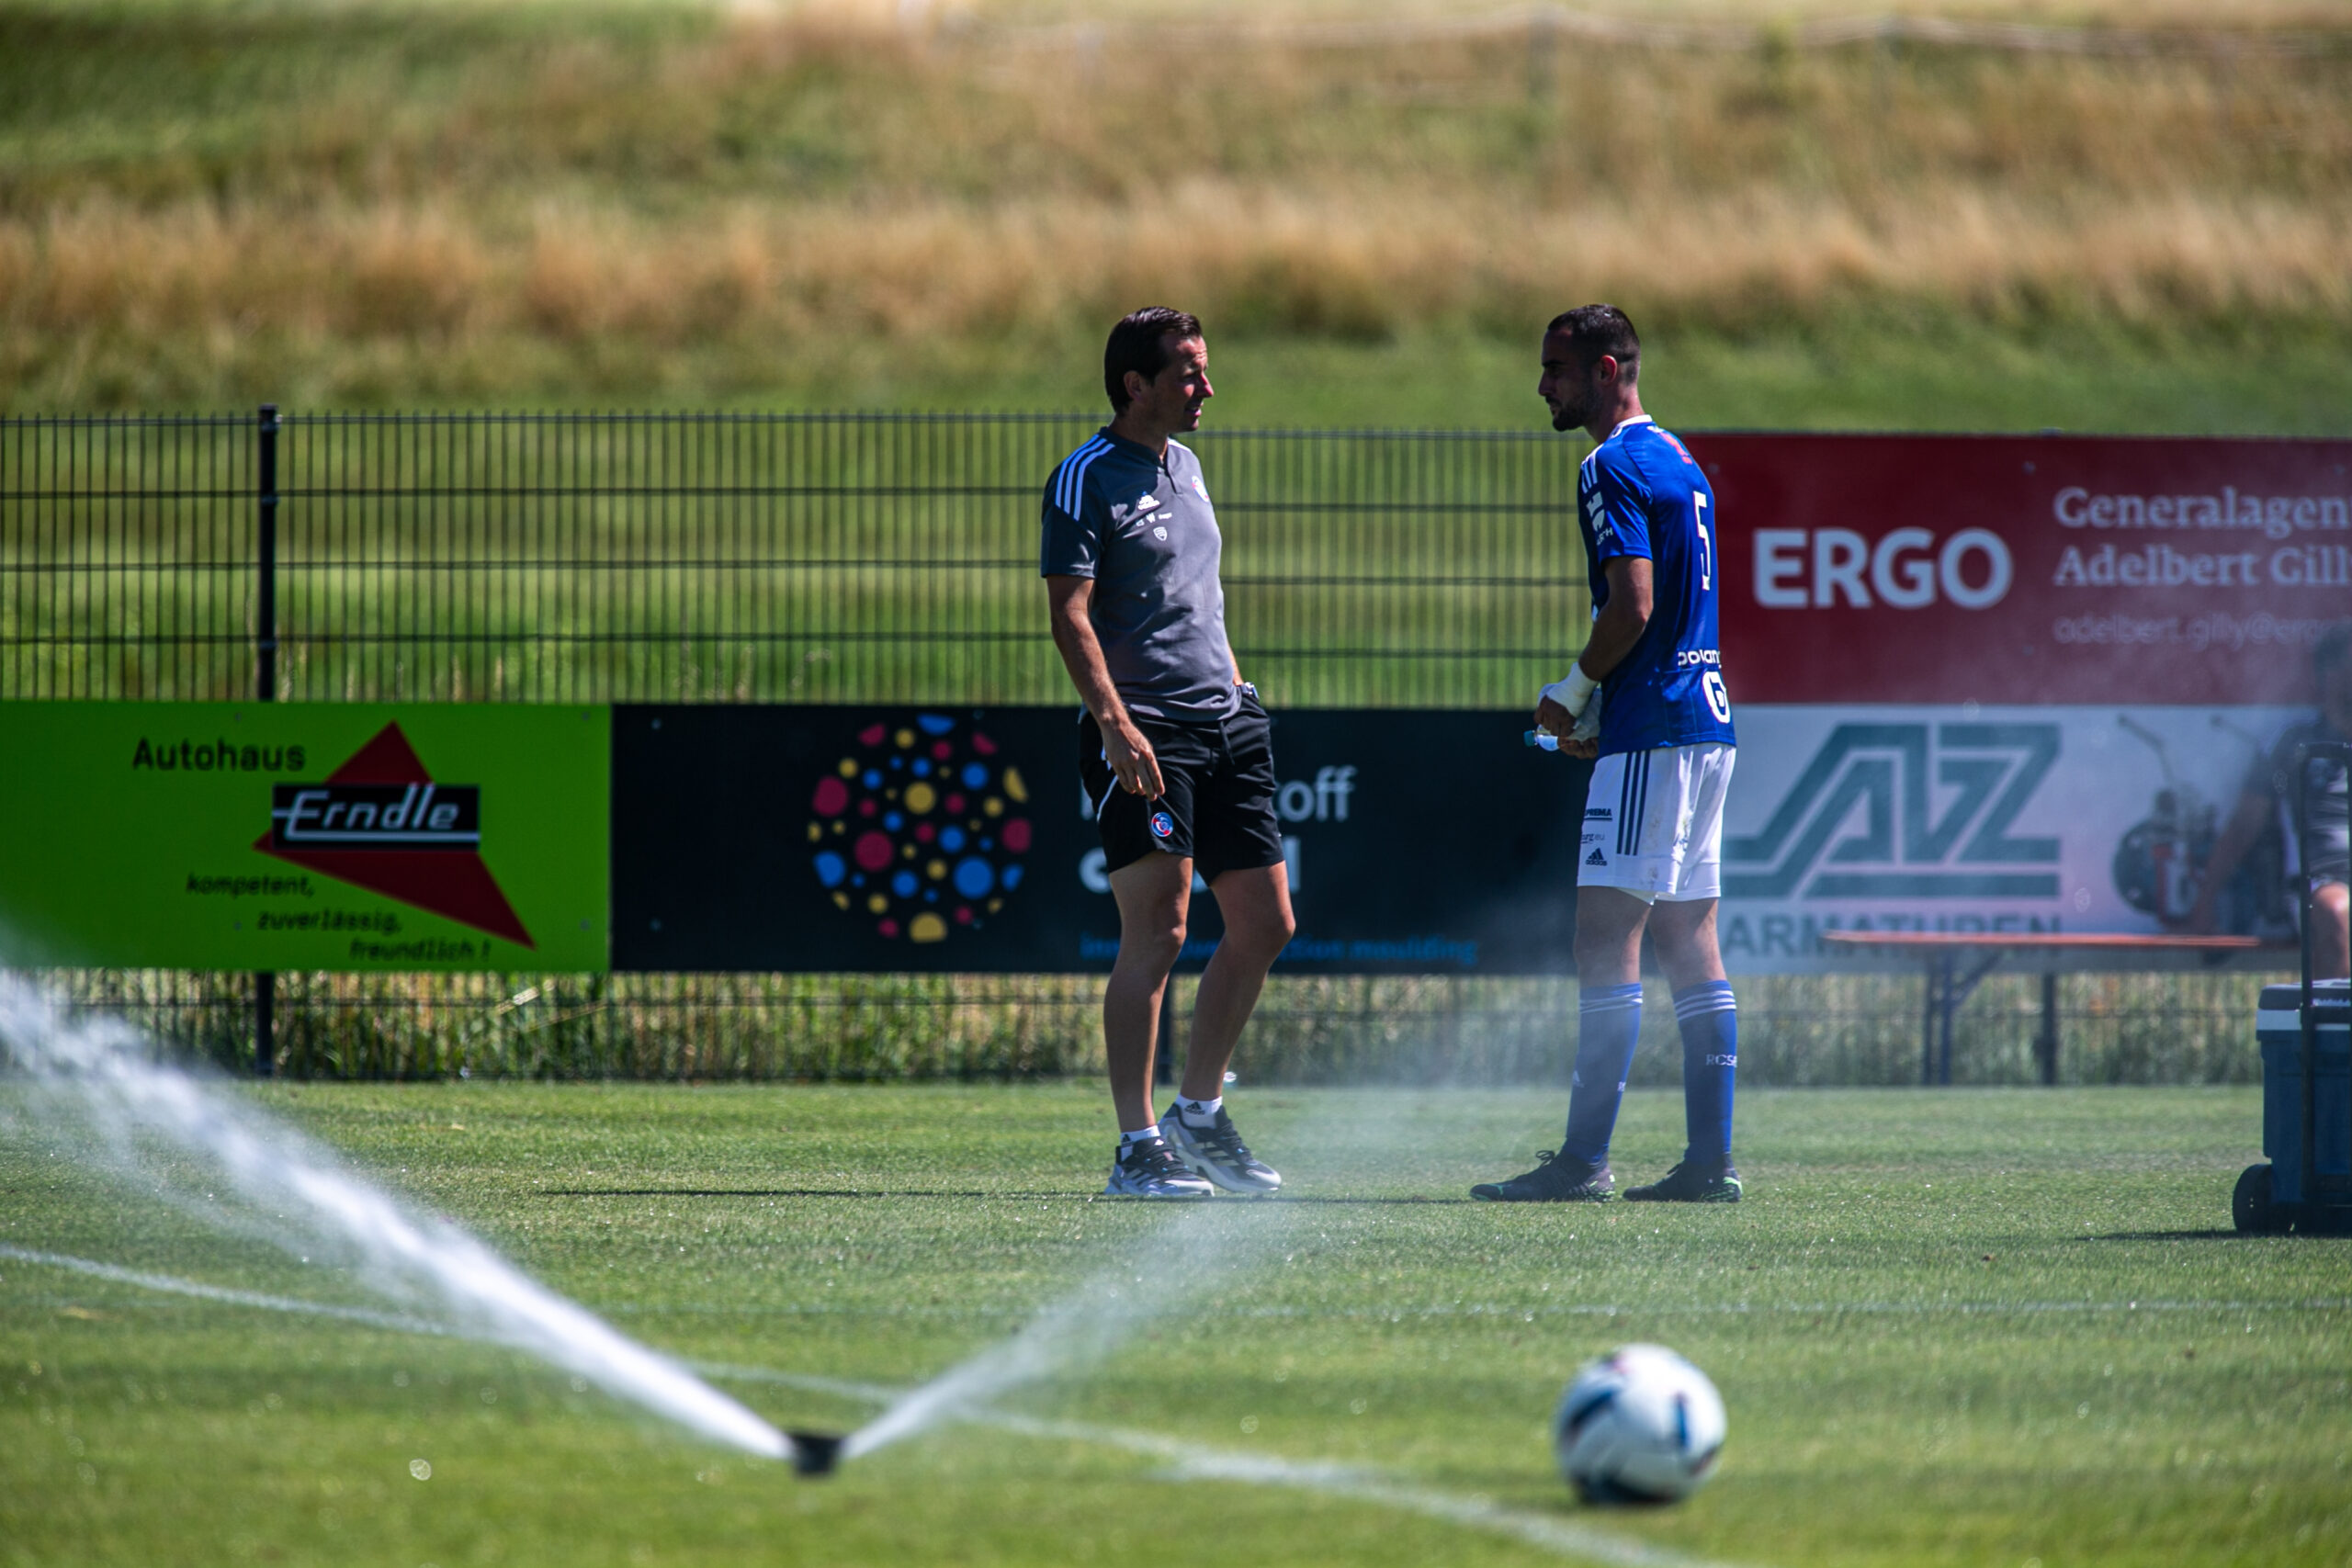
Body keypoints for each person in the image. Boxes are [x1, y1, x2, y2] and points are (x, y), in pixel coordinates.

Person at [1473, 305, 1743, 1204]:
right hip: (1706, 720)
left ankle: (1584, 1160)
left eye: (1555, 368)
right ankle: (1710, 1162)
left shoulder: (1609, 463)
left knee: (1603, 940)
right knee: (1690, 939)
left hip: (1654, 729)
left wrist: (1575, 691)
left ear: (1605, 370)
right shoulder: (1678, 458)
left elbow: (1633, 604)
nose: (1541, 385)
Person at [1041, 307, 1295, 1198]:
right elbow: (1069, 615)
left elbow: (1196, 596)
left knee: (1266, 924)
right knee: (1160, 930)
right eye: (1189, 373)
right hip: (1146, 732)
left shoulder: (1185, 465)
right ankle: (1136, 1145)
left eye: (1204, 369)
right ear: (1135, 385)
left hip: (1227, 722)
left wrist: (1239, 692)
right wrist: (1117, 728)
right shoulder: (1084, 476)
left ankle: (1198, 1113)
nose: (1206, 388)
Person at [2183, 620, 2352, 979]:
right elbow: (2245, 824)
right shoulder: (2294, 746)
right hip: (2320, 885)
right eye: (2345, 666)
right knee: (2337, 912)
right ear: (2326, 674)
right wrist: (2206, 901)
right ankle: (2334, 1017)